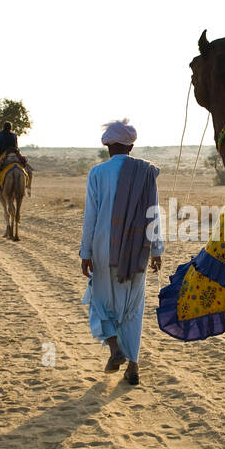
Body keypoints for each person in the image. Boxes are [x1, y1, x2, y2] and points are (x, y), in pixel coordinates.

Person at [79, 119, 163, 386]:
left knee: (100, 300)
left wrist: (85, 252)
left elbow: (90, 217)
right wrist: (156, 250)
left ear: (108, 146)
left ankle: (115, 348)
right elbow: (154, 214)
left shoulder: (97, 173)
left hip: (104, 249)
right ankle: (134, 367)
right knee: (133, 308)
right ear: (131, 146)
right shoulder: (146, 172)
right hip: (138, 249)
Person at [0, 121, 29, 189]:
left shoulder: (1, 135)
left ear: (4, 127)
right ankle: (26, 181)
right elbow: (16, 146)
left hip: (4, 152)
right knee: (23, 162)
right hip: (15, 151)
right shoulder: (14, 135)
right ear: (11, 127)